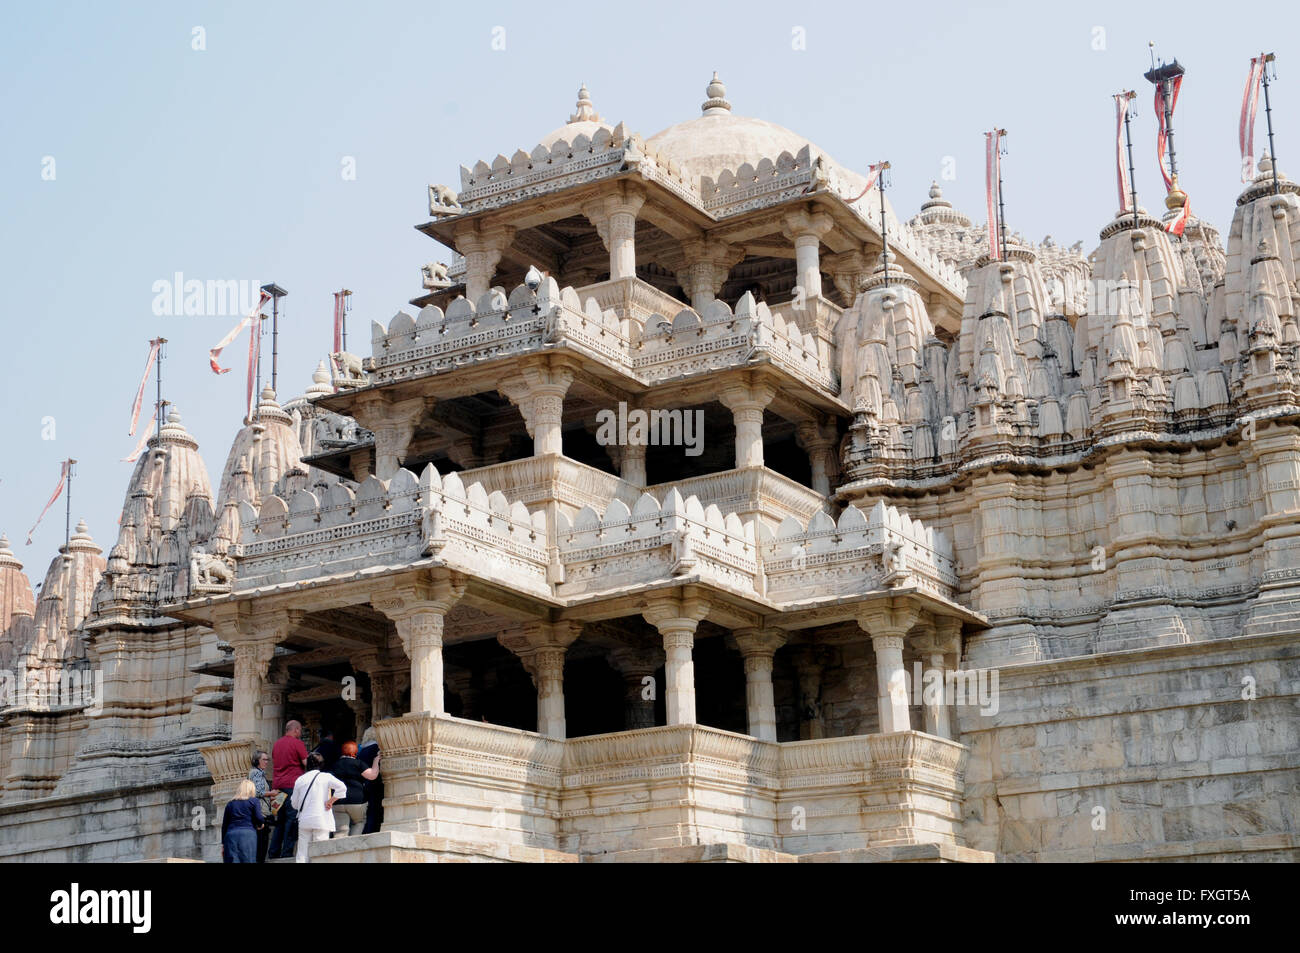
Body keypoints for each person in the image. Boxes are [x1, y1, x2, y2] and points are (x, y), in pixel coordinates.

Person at [290, 761, 347, 863]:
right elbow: (342, 787)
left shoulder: (300, 780)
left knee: (302, 852)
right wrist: (330, 801)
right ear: (321, 764)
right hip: (321, 819)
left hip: (304, 819)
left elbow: (294, 804)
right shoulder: (325, 777)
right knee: (320, 851)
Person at [268, 720, 309, 859]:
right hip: (292, 785)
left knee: (280, 820)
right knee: (291, 820)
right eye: (300, 730)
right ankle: (286, 852)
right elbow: (307, 763)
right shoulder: (297, 743)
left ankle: (273, 853)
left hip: (277, 787)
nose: (300, 733)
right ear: (296, 730)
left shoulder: (277, 744)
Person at [327, 741, 380, 836]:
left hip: (338, 802)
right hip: (357, 802)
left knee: (340, 831)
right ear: (355, 753)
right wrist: (376, 760)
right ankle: (353, 845)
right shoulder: (358, 763)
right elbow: (372, 775)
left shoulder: (335, 765)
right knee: (358, 822)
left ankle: (340, 848)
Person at [221, 779, 264, 864]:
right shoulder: (254, 801)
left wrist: (223, 843)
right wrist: (260, 825)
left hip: (231, 836)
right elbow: (259, 818)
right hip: (247, 835)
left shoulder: (230, 803)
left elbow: (224, 825)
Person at [248, 750, 275, 863]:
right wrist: (272, 793)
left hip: (261, 811)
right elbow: (258, 792)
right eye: (264, 759)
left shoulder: (258, 773)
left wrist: (270, 797)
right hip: (260, 813)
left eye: (267, 759)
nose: (266, 762)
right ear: (257, 761)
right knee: (260, 847)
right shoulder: (256, 773)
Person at [358, 727, 383, 834]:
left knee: (368, 810)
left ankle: (366, 830)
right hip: (375, 781)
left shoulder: (361, 751)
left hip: (364, 782)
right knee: (375, 808)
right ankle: (373, 830)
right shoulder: (377, 748)